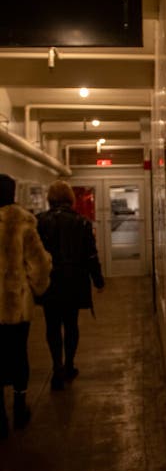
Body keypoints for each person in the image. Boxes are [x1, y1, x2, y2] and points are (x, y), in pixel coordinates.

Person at [36, 180, 105, 390]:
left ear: (50, 198)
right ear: (70, 198)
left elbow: (35, 256)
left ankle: (56, 365)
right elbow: (90, 255)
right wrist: (98, 280)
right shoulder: (82, 223)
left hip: (50, 282)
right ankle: (69, 365)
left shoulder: (39, 221)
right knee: (71, 324)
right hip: (74, 281)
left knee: (52, 326)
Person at [0, 174, 52, 435]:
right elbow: (39, 264)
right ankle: (20, 407)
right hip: (16, 306)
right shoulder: (21, 222)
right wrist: (38, 289)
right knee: (19, 353)